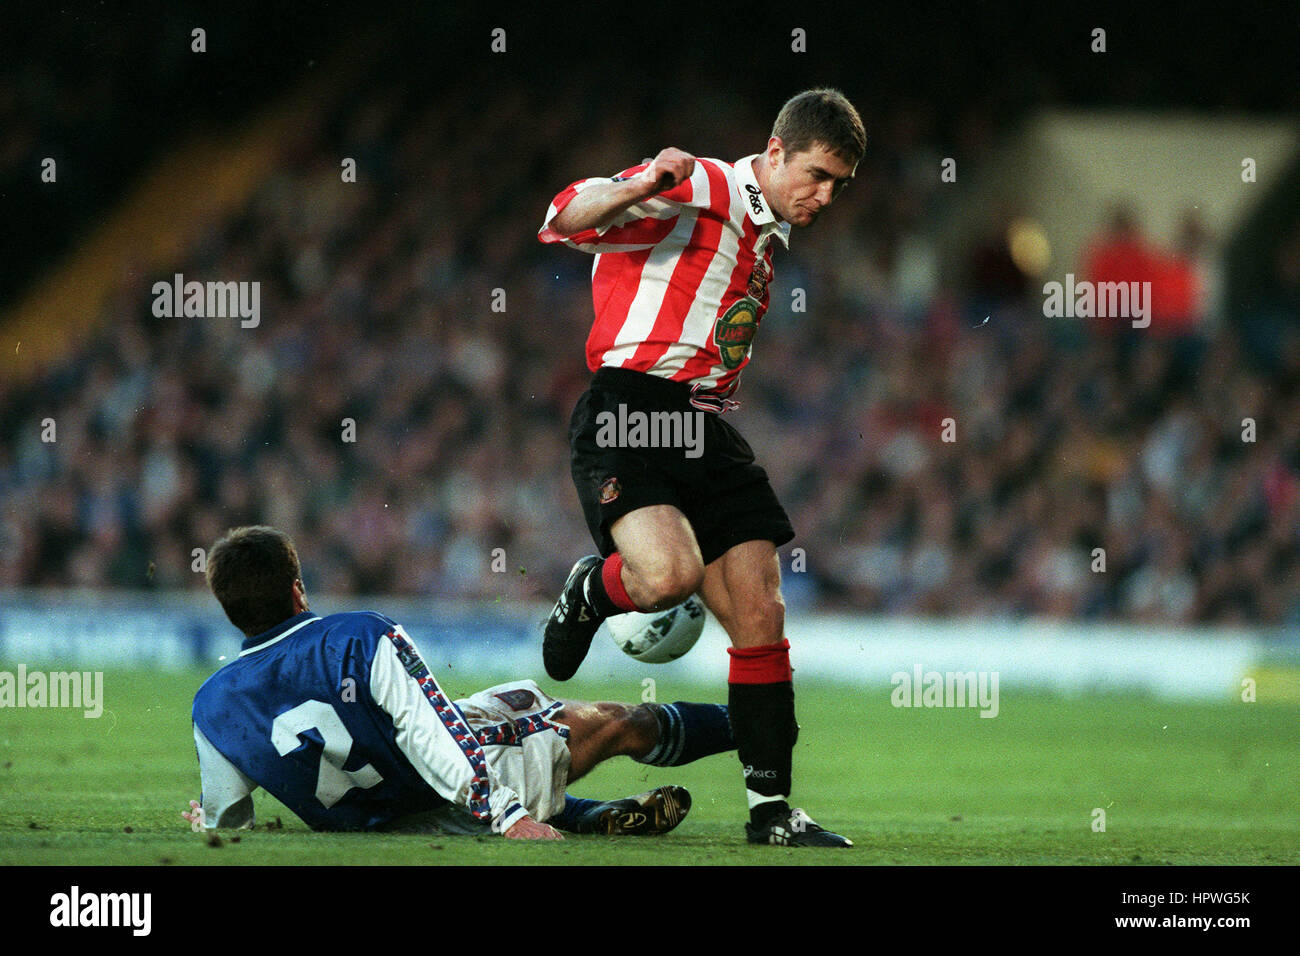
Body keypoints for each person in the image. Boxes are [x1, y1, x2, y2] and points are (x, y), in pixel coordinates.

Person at [537, 89, 865, 847]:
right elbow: (563, 217)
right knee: (668, 578)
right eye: (815, 175)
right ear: (775, 152)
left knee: (761, 614)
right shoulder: (706, 186)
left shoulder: (767, 234)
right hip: (632, 407)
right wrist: (645, 182)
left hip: (705, 427)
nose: (824, 195)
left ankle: (771, 813)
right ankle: (592, 589)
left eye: (838, 185)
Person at [184, 526, 734, 839]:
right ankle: (752, 725)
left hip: (393, 827)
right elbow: (433, 732)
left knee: (475, 726)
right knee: (618, 721)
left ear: (230, 609)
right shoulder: (355, 636)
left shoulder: (212, 707)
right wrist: (510, 817)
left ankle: (587, 812)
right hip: (456, 789)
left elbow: (227, 823)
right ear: (298, 590)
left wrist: (210, 818)